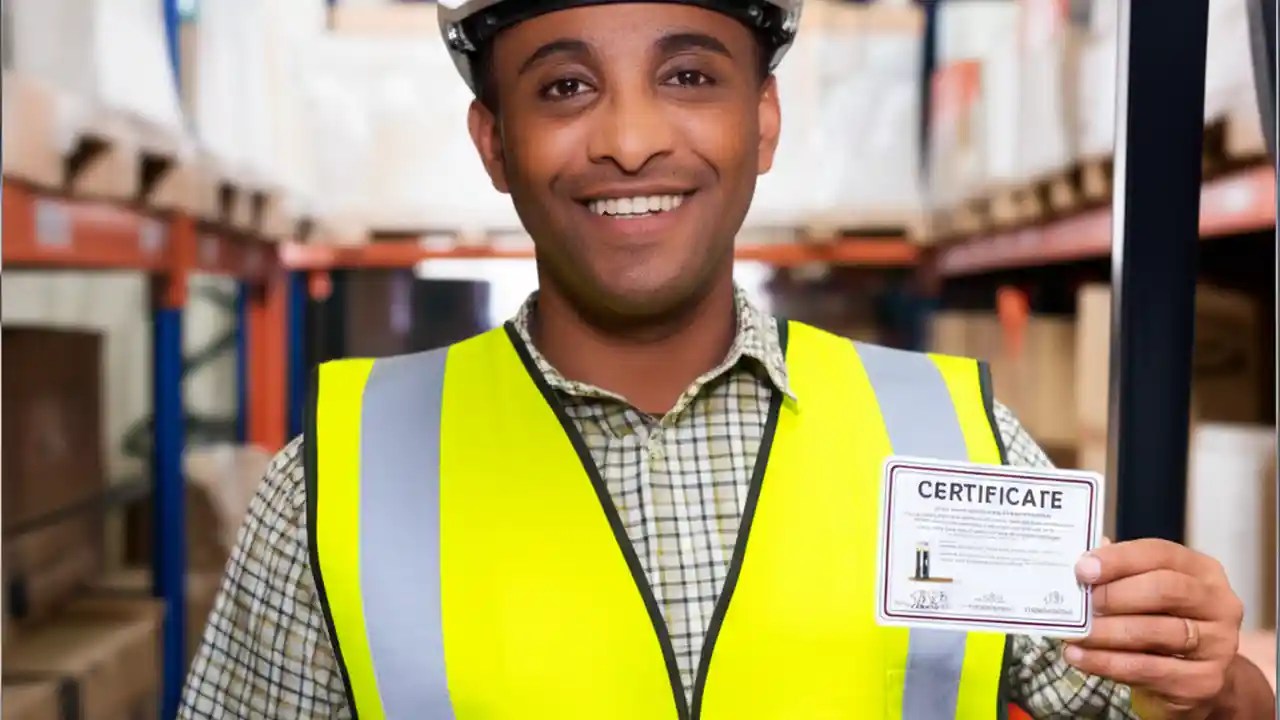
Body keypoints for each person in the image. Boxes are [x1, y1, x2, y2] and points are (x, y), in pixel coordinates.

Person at [178, 1, 1275, 718]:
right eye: (564, 87)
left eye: (689, 75)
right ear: (493, 143)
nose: (630, 137)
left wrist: (1209, 685)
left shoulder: (948, 441)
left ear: (762, 119)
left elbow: (1146, 711)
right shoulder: (337, 487)